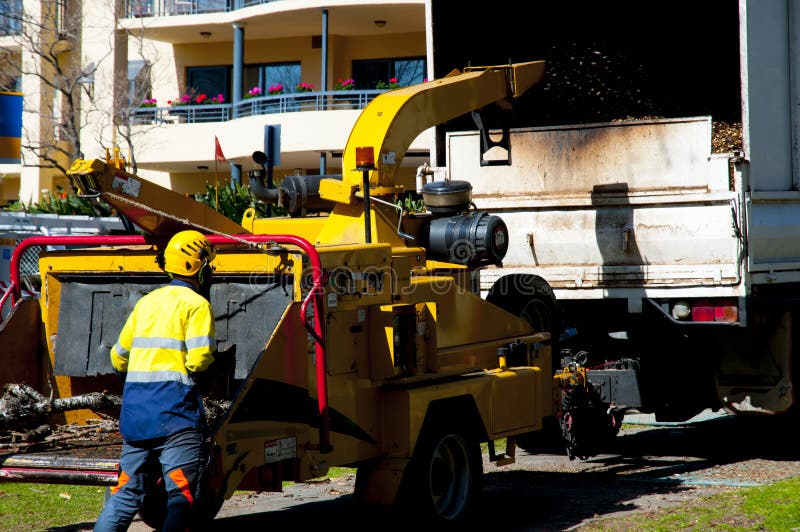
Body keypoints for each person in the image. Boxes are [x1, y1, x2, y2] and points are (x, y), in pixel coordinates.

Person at [95, 230, 218, 532]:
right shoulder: (196, 304)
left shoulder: (146, 303)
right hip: (176, 415)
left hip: (136, 415)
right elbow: (200, 358)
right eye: (208, 265)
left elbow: (118, 357)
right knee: (180, 497)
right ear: (198, 267)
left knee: (124, 495)